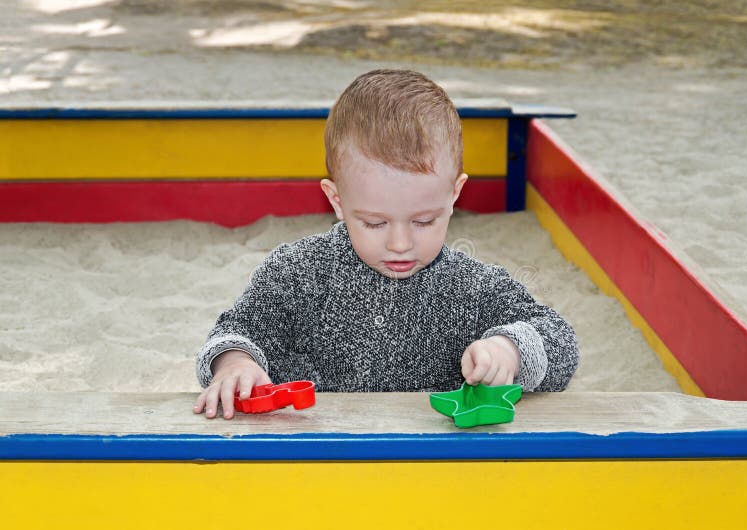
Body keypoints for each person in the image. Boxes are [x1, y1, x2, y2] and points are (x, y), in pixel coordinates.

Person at [194, 69, 579, 419]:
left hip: (430, 470)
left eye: (423, 221)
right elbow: (238, 329)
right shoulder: (298, 273)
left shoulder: (473, 288)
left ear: (455, 194)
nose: (400, 243)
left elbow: (560, 342)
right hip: (317, 467)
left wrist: (508, 350)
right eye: (375, 223)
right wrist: (234, 363)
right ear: (337, 201)